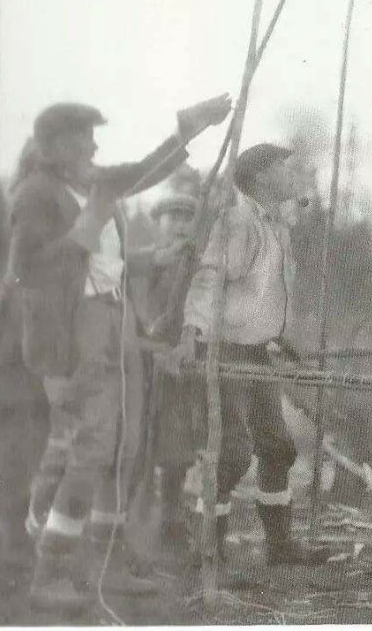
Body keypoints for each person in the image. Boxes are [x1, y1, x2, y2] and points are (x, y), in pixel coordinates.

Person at [7, 94, 231, 611]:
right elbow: (25, 270)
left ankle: (105, 564)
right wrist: (86, 228)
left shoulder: (95, 183)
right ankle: (49, 569)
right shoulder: (37, 194)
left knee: (123, 446)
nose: (94, 147)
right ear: (55, 146)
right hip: (74, 329)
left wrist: (187, 131)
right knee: (92, 445)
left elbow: (145, 172)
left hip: (114, 318)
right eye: (84, 139)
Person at [166, 142, 329, 570]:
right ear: (260, 177)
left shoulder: (275, 226)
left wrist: (283, 339)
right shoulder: (239, 222)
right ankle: (209, 550)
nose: (291, 174)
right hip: (227, 351)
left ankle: (280, 545)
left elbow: (265, 296)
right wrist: (190, 333)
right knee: (232, 453)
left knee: (277, 447)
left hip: (258, 353)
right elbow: (210, 279)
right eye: (282, 167)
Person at [0, 162, 50, 569]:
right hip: (12, 349)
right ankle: (11, 530)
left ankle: (17, 527)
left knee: (29, 437)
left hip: (32, 349)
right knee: (15, 436)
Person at [143, 193, 201, 552]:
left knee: (177, 447)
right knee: (138, 444)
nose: (180, 224)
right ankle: (132, 519)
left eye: (186, 218)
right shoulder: (146, 263)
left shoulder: (197, 267)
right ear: (158, 222)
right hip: (142, 365)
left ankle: (170, 517)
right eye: (173, 216)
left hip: (179, 368)